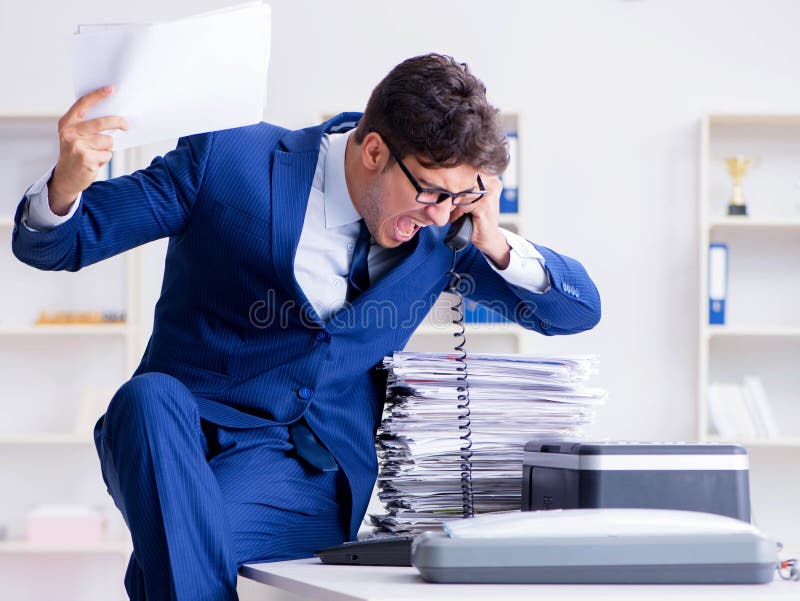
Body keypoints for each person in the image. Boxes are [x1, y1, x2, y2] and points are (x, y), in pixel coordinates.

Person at [12, 53, 600, 600]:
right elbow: (58, 245)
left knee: (170, 555)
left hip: (301, 467)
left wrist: (492, 239)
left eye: (460, 196)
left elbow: (575, 311)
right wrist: (65, 185)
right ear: (373, 151)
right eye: (429, 191)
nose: (441, 214)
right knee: (147, 399)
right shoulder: (229, 158)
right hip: (168, 433)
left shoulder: (446, 232)